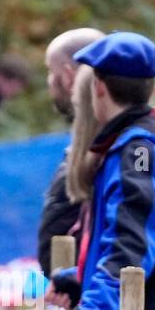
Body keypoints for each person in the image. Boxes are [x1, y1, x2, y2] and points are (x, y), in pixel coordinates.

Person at [47, 32, 155, 310]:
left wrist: (95, 308)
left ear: (98, 87)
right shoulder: (133, 144)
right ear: (150, 88)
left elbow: (131, 243)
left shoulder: (137, 150)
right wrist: (75, 279)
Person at [37, 28, 104, 274]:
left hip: (98, 298)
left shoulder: (106, 144)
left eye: (49, 71)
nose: (49, 80)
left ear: (67, 75)